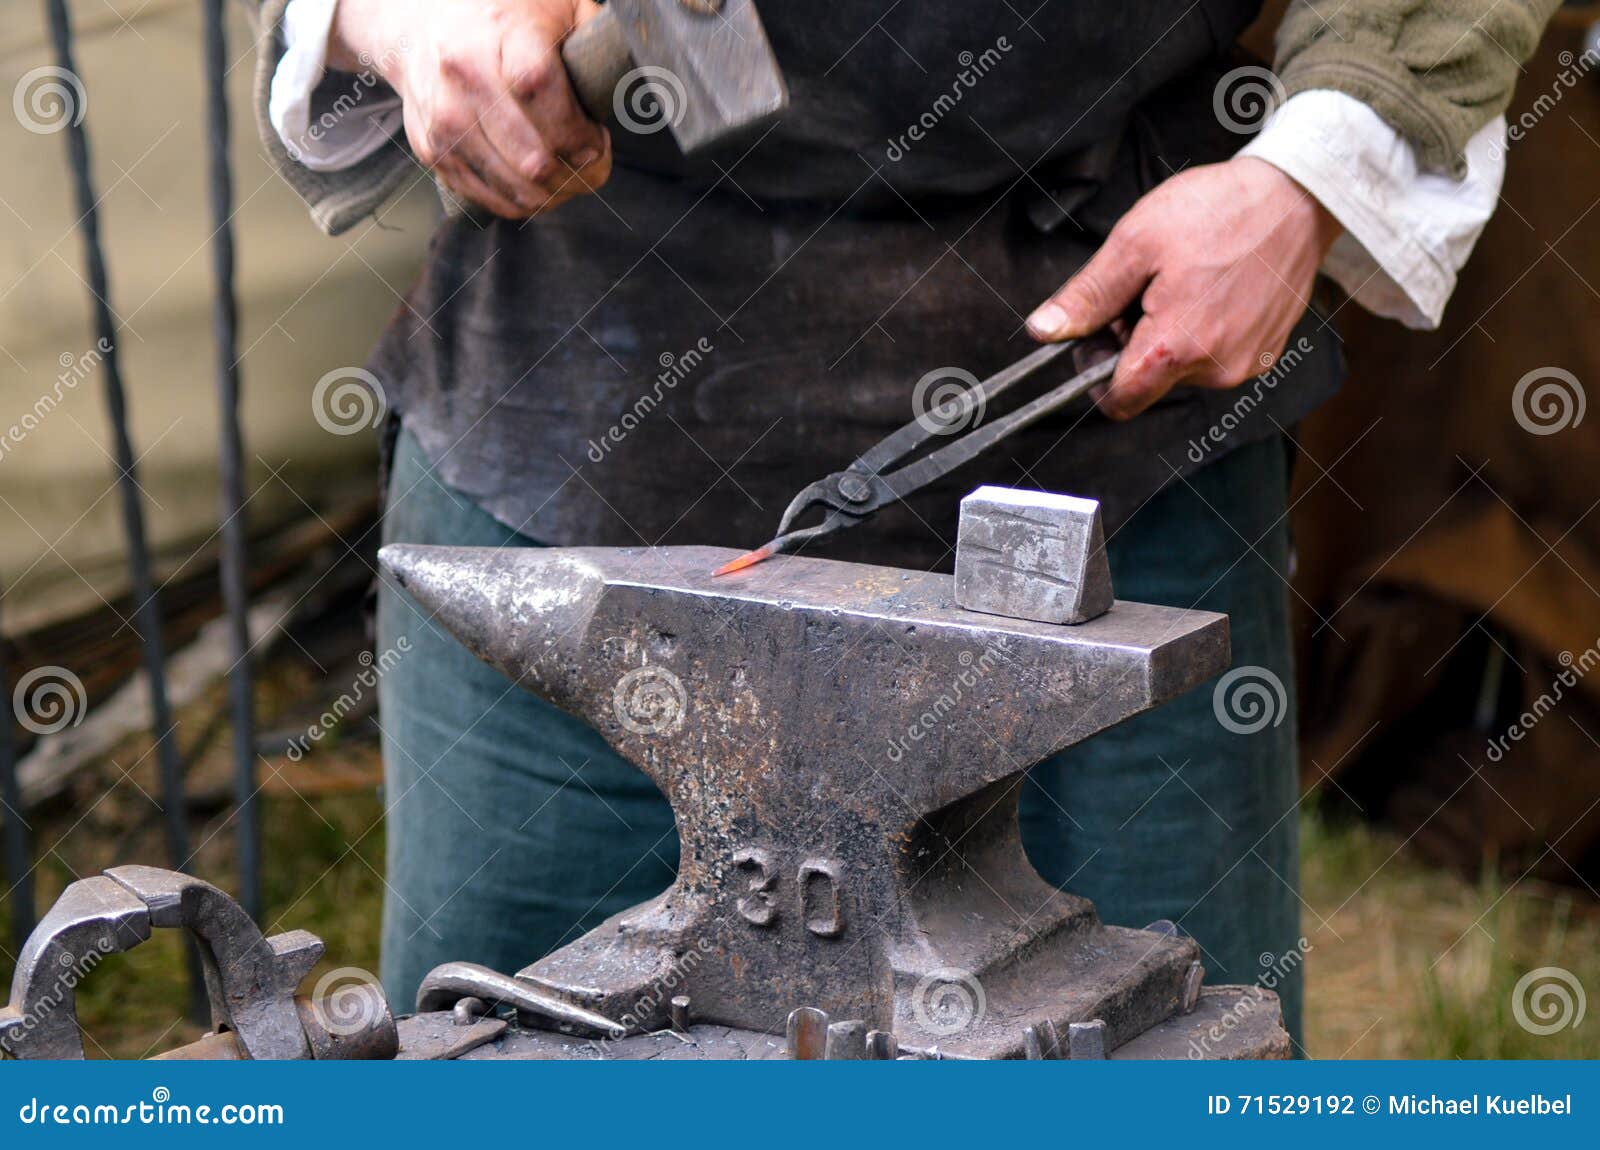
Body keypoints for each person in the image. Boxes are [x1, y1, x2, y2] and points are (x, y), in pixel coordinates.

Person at [250, 0, 1558, 1047]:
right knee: (517, 1059)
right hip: (576, 399)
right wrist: (406, 22)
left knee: (1158, 1053)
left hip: (1121, 423)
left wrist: (1305, 175)